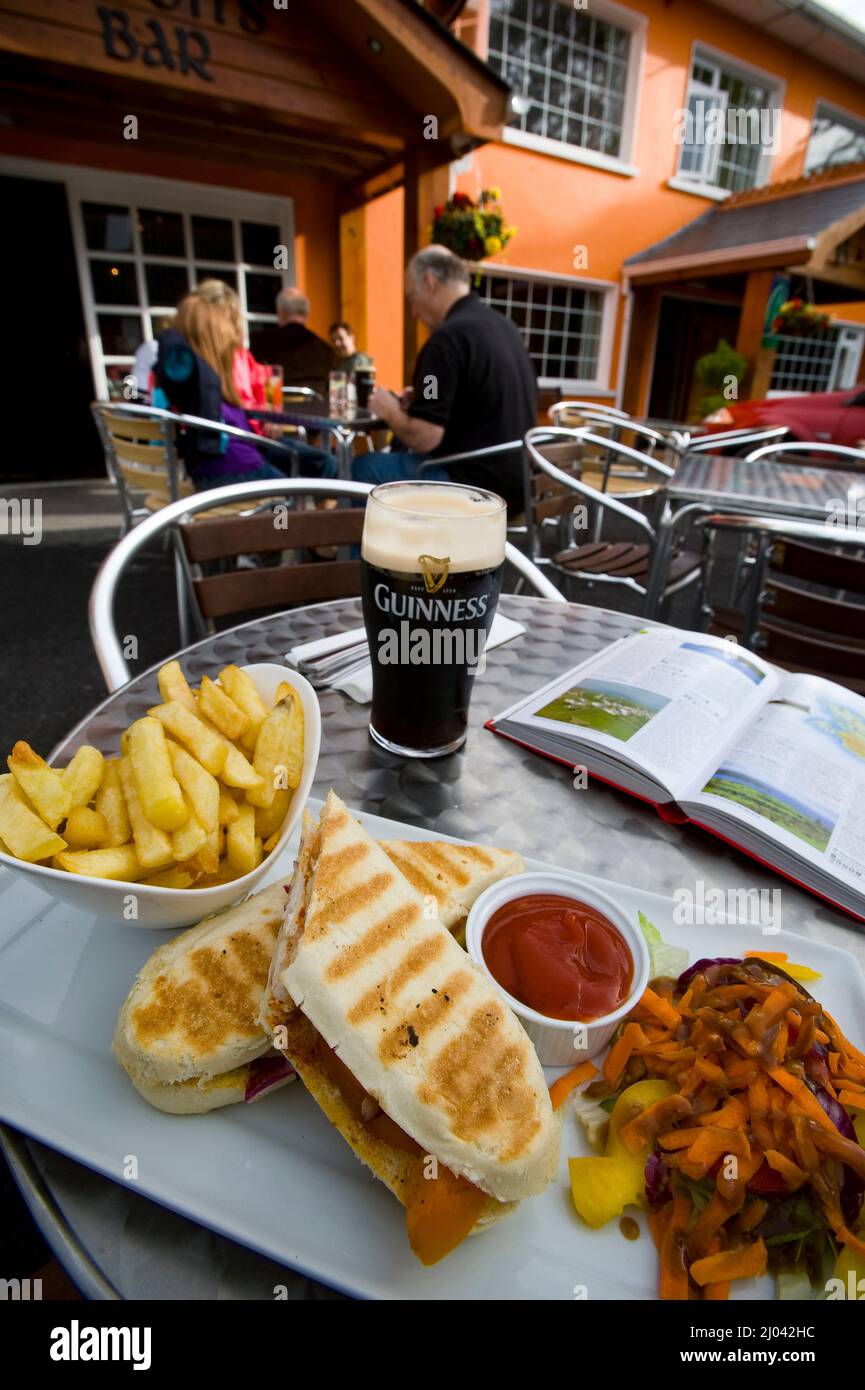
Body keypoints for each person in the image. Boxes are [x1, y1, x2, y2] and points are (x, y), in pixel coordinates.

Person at [352, 246, 537, 515]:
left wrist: (389, 410)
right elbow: (479, 399)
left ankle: (372, 557)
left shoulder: (446, 340)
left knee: (363, 467)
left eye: (411, 298)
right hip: (520, 482)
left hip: (475, 488)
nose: (414, 312)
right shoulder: (505, 327)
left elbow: (424, 437)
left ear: (429, 283)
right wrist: (424, 399)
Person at [154, 290, 334, 489]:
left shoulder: (210, 376)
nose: (235, 340)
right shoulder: (194, 375)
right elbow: (171, 351)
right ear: (212, 340)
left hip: (242, 459)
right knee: (296, 487)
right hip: (234, 469)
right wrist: (185, 322)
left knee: (318, 466)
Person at [250, 288, 335, 400]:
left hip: (274, 413)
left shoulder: (261, 342)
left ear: (281, 312)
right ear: (307, 314)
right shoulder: (326, 351)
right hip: (314, 413)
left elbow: (252, 380)